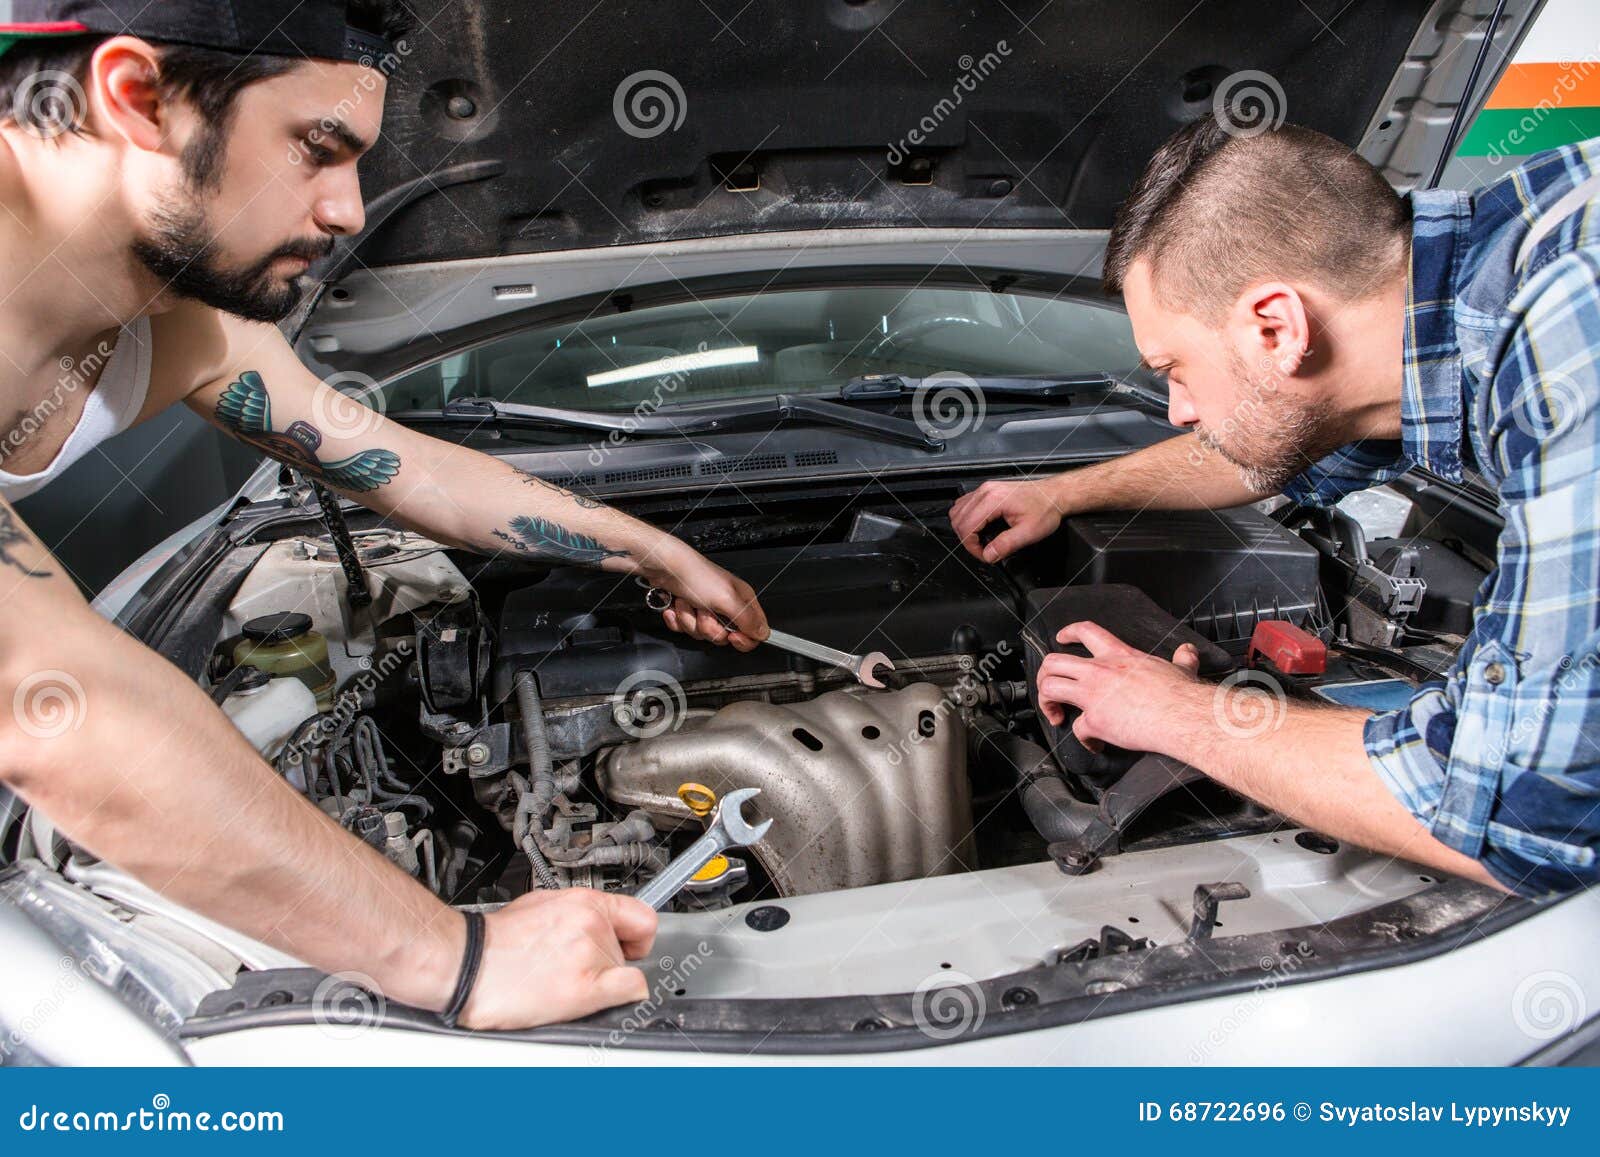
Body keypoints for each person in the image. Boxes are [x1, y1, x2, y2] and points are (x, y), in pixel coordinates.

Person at [0, 1, 769, 1029]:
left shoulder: (181, 324)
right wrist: (459, 955)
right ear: (138, 98)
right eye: (316, 149)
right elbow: (47, 699)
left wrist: (649, 550)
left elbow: (401, 465)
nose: (348, 211)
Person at [950, 116, 1600, 898]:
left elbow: (1529, 820)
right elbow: (1255, 456)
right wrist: (1061, 492)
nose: (1178, 411)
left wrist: (1181, 714)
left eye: (1174, 369)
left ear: (1277, 326)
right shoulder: (1473, 295)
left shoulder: (1568, 341)